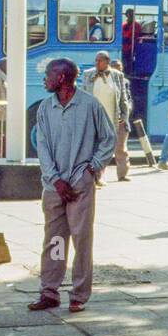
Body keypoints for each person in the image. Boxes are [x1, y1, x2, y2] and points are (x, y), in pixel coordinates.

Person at [28, 58, 116, 313]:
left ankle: (78, 294)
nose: (44, 79)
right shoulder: (45, 108)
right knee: (54, 240)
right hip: (53, 185)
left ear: (63, 78)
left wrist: (92, 169)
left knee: (81, 239)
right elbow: (41, 146)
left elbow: (108, 138)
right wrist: (55, 179)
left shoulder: (89, 105)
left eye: (48, 74)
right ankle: (49, 290)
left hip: (80, 183)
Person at [86, 50, 132, 182]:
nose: (97, 63)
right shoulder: (88, 74)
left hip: (113, 118)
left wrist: (124, 115)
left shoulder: (118, 75)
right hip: (95, 119)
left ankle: (122, 174)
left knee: (120, 148)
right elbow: (84, 96)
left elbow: (123, 98)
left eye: (99, 60)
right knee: (98, 150)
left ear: (107, 61)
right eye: (95, 60)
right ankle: (97, 178)